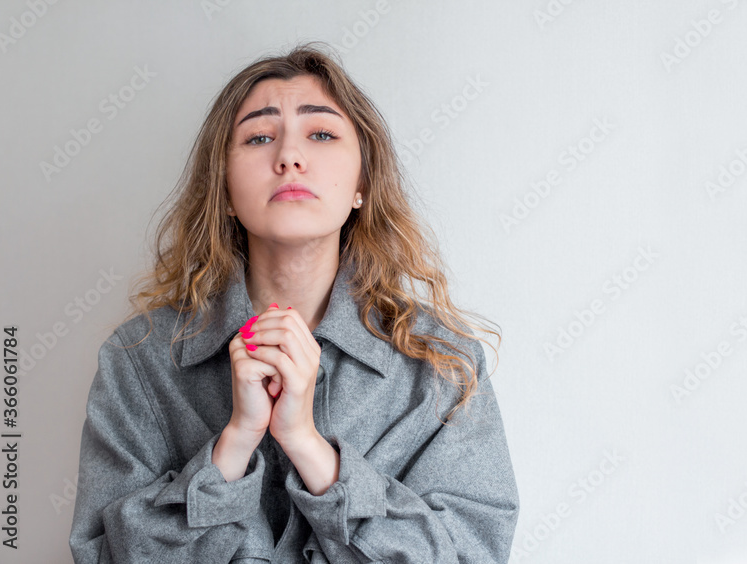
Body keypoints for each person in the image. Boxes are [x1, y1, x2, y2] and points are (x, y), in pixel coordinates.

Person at [69, 41, 519, 563]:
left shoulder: (442, 363)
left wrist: (307, 445)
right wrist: (234, 444)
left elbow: (472, 555)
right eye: (259, 137)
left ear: (362, 185)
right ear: (225, 191)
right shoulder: (138, 360)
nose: (288, 156)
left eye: (322, 133)